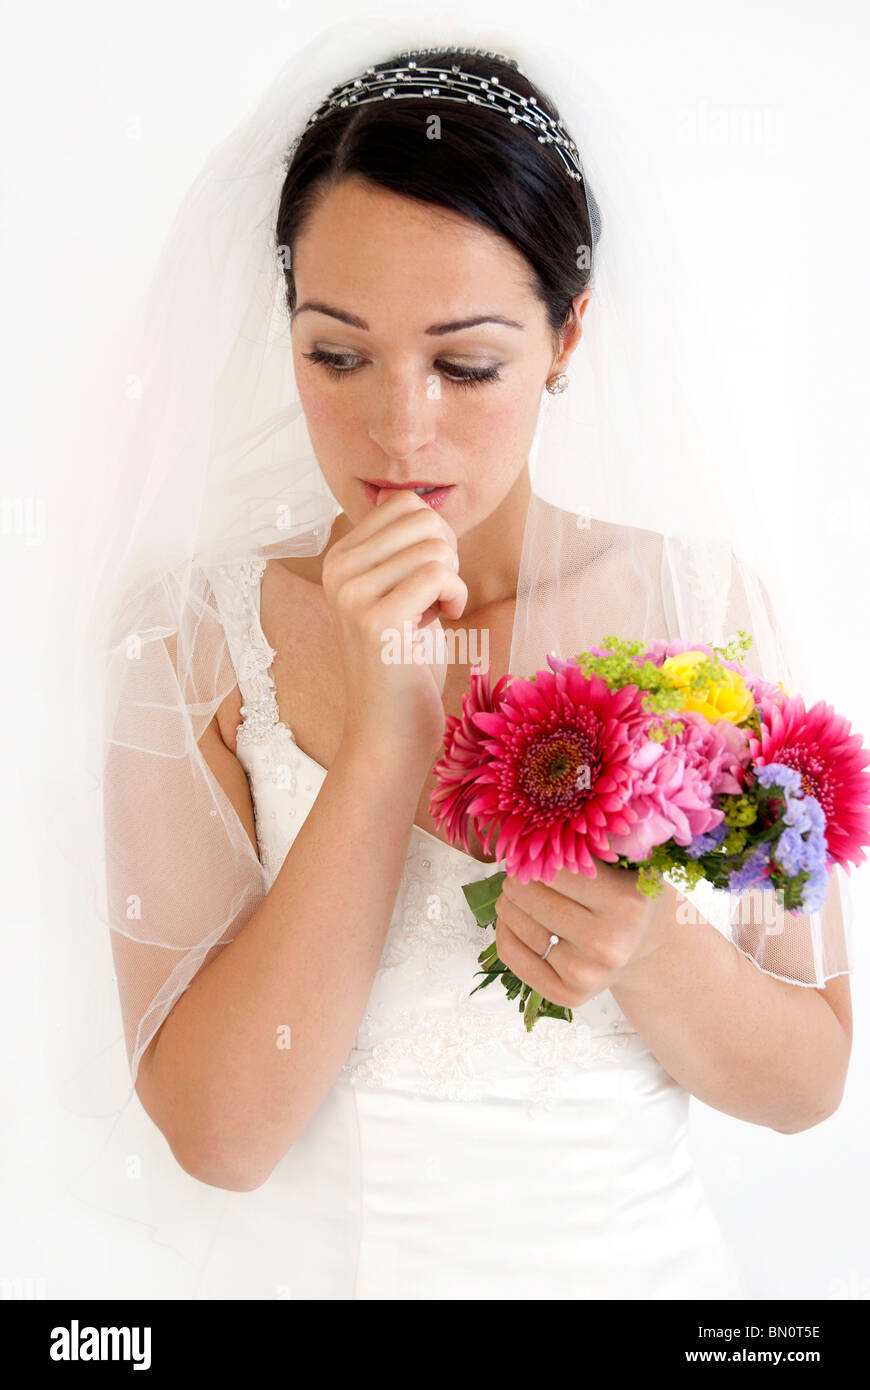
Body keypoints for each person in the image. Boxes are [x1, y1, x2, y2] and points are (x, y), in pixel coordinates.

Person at [63, 21, 855, 1300]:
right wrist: (389, 737)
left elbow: (808, 1081)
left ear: (569, 338)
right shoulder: (192, 634)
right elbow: (219, 1137)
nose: (398, 425)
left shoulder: (702, 608)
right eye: (337, 352)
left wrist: (650, 949)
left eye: (467, 362)